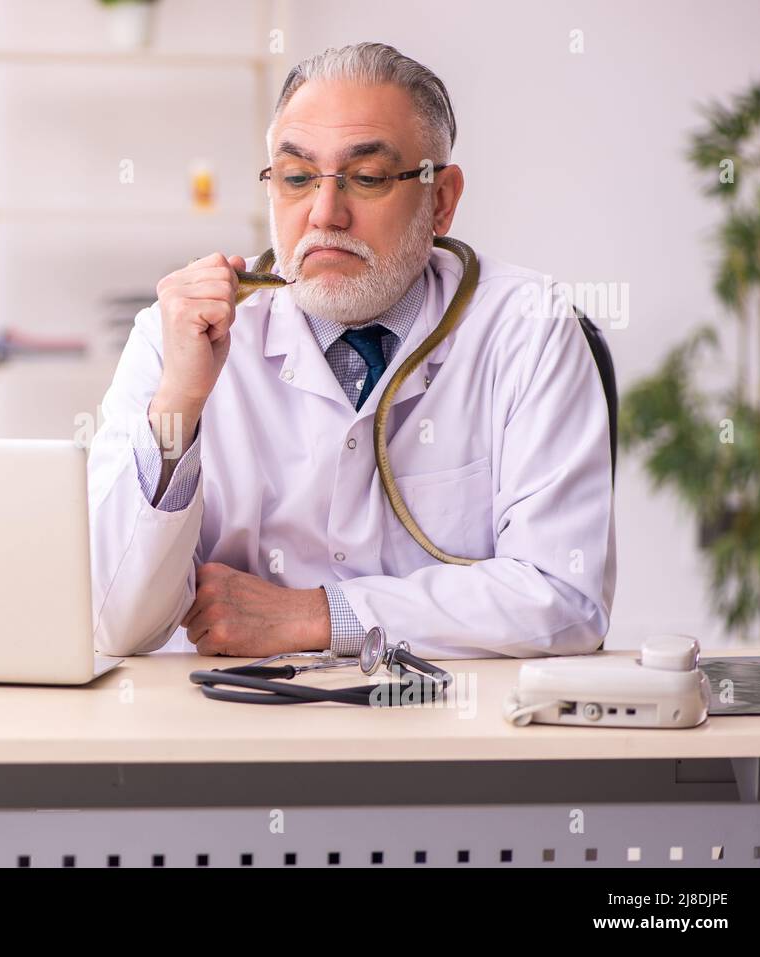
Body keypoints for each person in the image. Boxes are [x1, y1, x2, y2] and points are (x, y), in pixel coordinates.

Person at [87, 43, 616, 661]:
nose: (324, 213)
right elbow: (114, 624)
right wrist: (179, 403)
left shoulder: (529, 327)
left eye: (366, 178)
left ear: (441, 200)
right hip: (223, 728)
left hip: (450, 736)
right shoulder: (173, 336)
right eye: (296, 178)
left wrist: (321, 615)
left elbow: (564, 597)